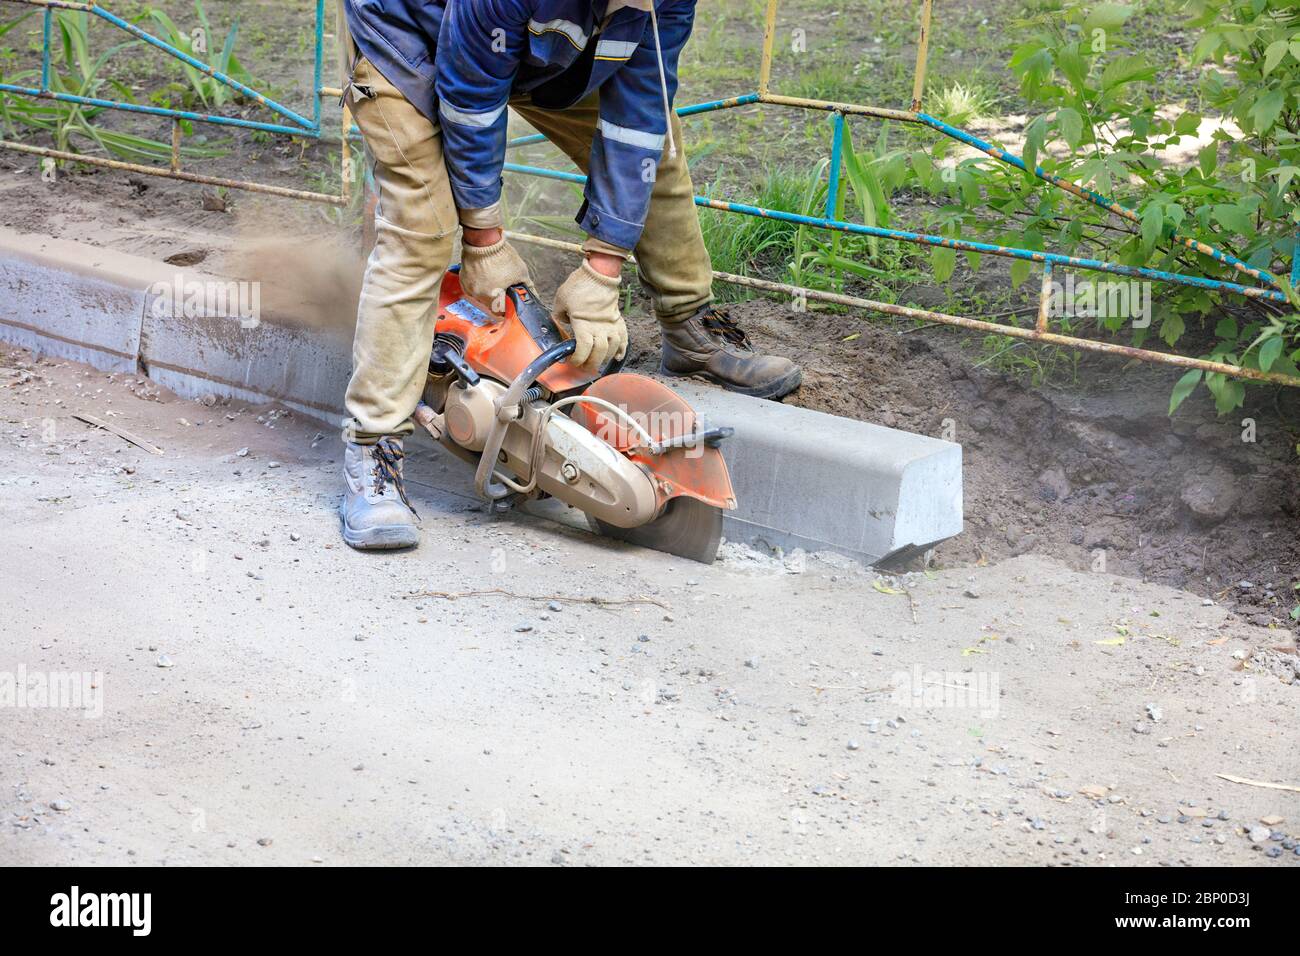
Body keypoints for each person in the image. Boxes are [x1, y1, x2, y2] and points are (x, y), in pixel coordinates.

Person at [336, 0, 802, 550]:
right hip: (409, 36)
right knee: (425, 226)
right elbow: (468, 94)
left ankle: (689, 329)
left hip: (540, 47)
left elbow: (640, 111)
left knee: (656, 153)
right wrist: (485, 241)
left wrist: (602, 271)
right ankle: (374, 448)